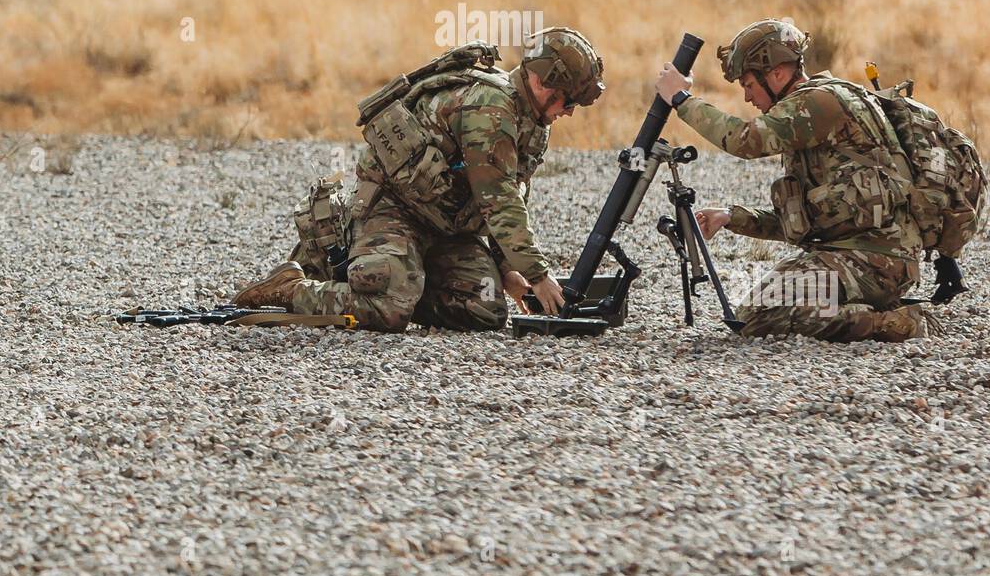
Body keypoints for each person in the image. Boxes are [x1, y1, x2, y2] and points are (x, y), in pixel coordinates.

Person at [232, 27, 605, 332]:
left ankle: (395, 280)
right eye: (567, 102)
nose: (569, 113)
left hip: (445, 226)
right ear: (544, 83)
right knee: (389, 310)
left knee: (485, 309)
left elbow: (508, 196)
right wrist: (537, 273)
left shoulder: (534, 123)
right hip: (395, 208)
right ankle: (292, 289)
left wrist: (507, 270)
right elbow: (499, 198)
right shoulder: (488, 109)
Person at [655, 19, 933, 342]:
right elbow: (805, 221)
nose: (747, 98)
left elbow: (745, 140)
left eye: (748, 84)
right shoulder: (808, 116)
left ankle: (898, 322)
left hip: (879, 259)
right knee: (757, 312)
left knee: (760, 316)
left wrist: (681, 100)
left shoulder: (817, 104)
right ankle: (869, 307)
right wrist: (731, 217)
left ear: (776, 73)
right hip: (858, 255)